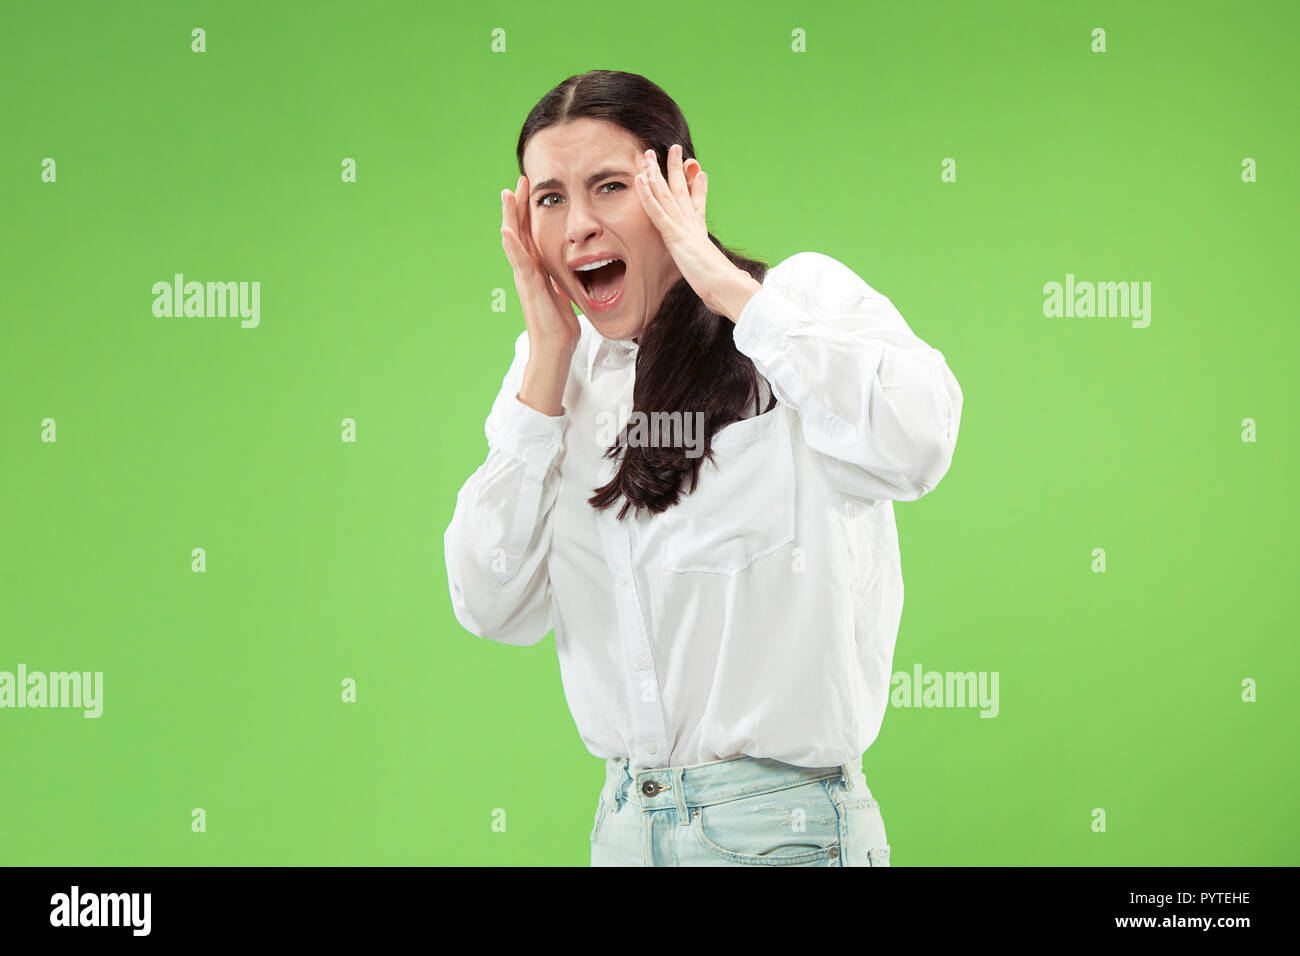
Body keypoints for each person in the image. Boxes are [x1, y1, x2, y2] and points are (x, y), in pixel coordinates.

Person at [444, 70, 963, 866]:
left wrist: (723, 285)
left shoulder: (795, 303)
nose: (579, 224)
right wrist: (548, 358)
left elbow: (918, 440)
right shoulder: (556, 377)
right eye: (550, 199)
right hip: (622, 828)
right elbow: (491, 603)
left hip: (786, 833)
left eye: (610, 187)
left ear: (681, 187)